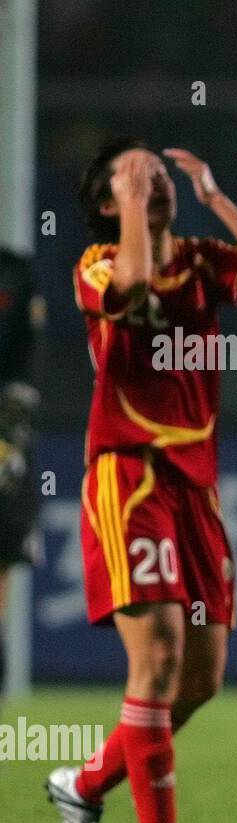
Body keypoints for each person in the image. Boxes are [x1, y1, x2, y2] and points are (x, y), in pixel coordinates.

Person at [46, 138, 237, 823]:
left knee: (200, 678)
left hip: (196, 483)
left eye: (158, 176)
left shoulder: (197, 257)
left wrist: (215, 195)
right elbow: (126, 289)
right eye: (135, 178)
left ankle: (85, 783)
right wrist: (131, 211)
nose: (154, 183)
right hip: (130, 476)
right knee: (155, 660)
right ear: (107, 202)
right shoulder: (96, 264)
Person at [0, 246, 43, 699]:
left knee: (3, 555)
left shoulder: (14, 273)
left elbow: (25, 364)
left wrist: (11, 427)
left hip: (1, 435)